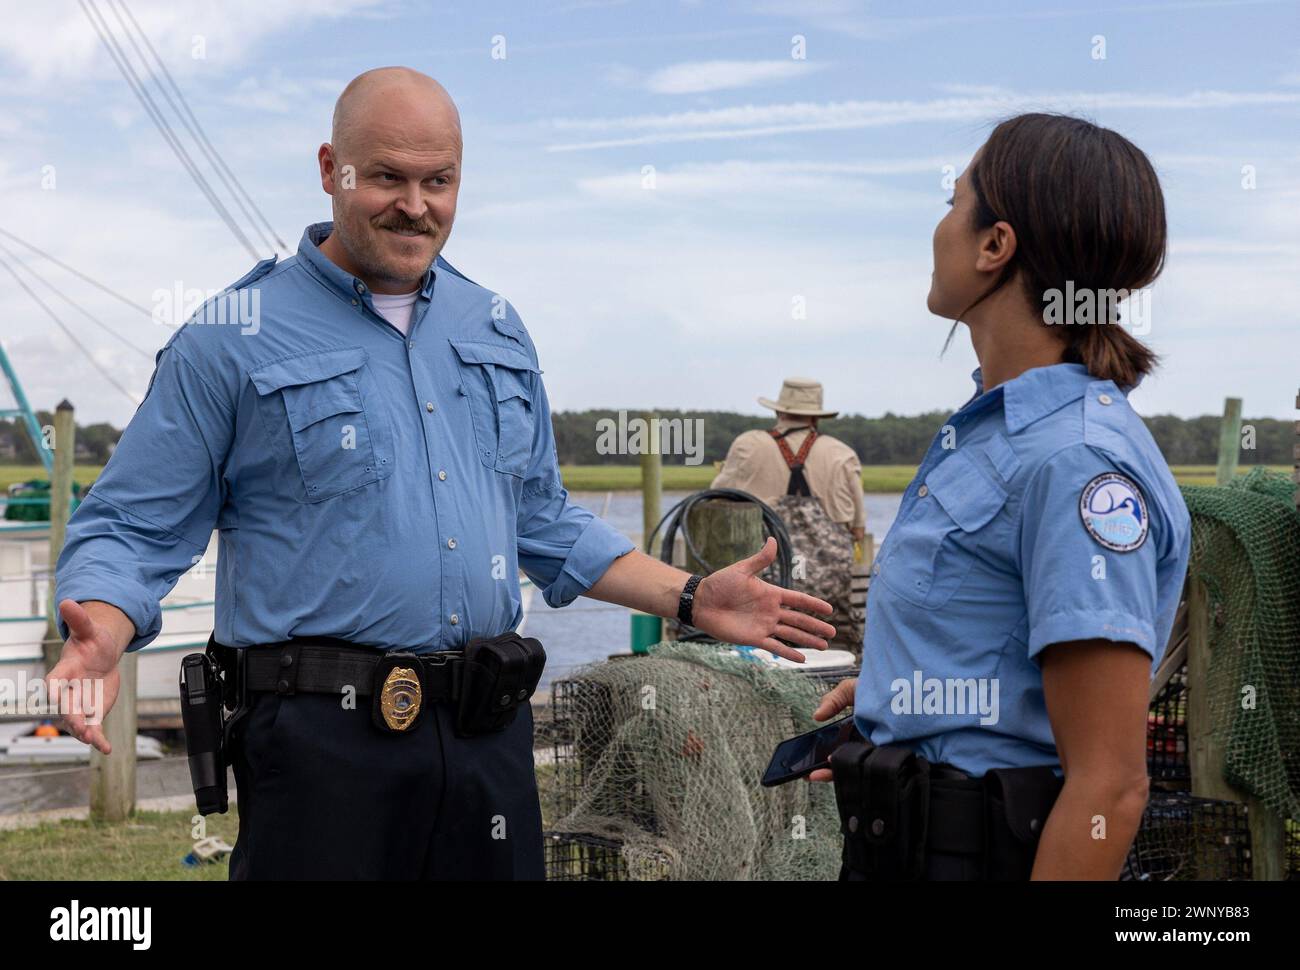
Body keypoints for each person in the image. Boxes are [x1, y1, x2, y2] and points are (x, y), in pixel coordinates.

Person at [47, 66, 834, 881]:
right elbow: (133, 525)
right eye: (387, 176)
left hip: (486, 736)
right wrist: (102, 632)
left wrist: (691, 596)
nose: (415, 205)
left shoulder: (493, 324)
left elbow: (541, 519)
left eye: (439, 181)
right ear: (330, 169)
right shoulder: (229, 337)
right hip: (319, 749)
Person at [809, 113, 1191, 881]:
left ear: (995, 245)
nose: (939, 227)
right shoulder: (998, 428)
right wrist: (905, 694)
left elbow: (1109, 787)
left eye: (953, 202)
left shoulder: (1076, 461)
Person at [711, 378, 866, 650]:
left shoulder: (749, 444)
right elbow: (857, 529)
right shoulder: (842, 454)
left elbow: (715, 497)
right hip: (826, 599)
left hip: (762, 589)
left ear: (778, 412)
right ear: (816, 418)